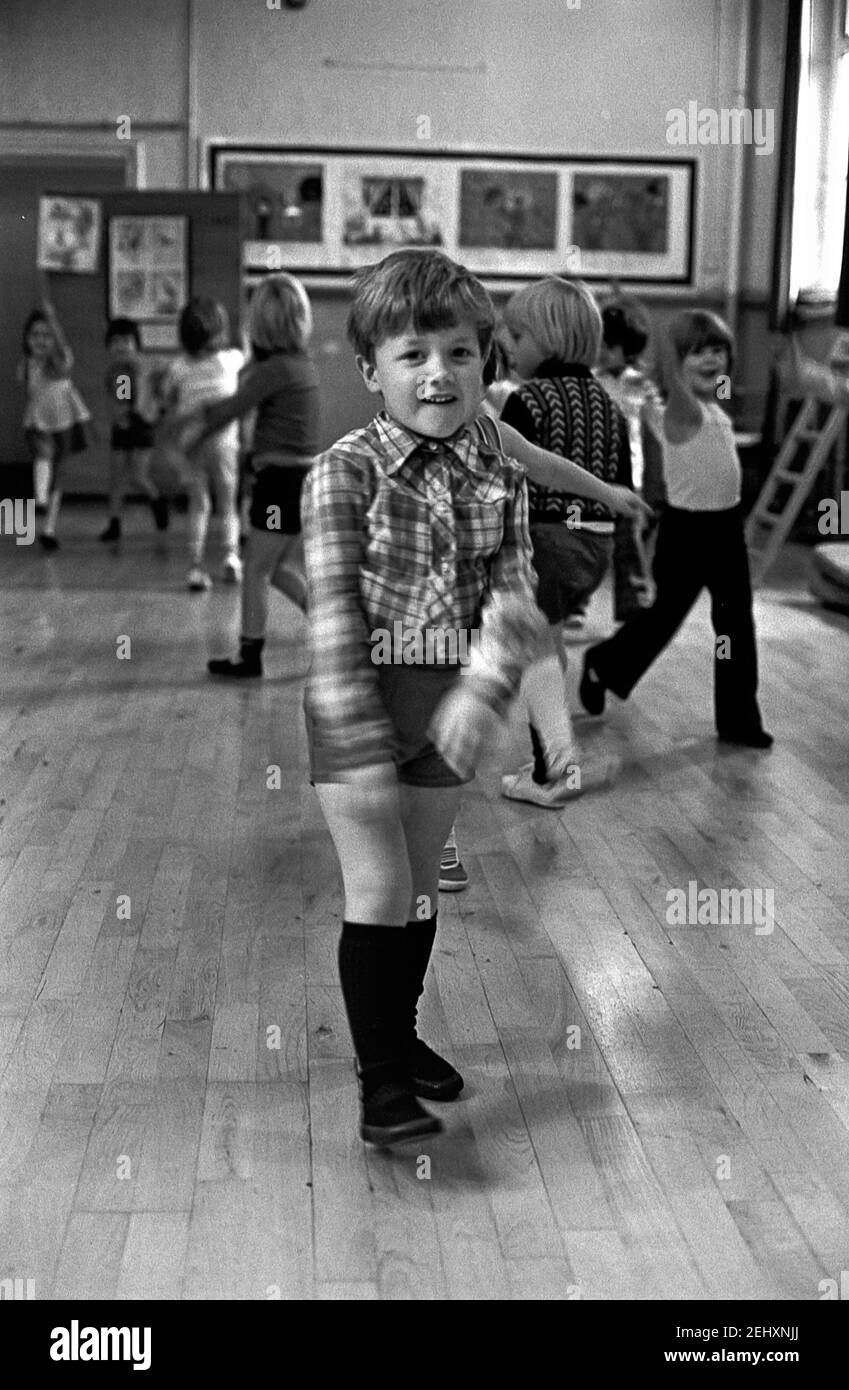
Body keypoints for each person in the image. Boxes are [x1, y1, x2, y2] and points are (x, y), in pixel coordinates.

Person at [302, 249, 648, 1147]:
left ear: (485, 363)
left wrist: (480, 693)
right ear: (369, 370)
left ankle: (400, 1037)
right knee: (377, 887)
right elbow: (333, 620)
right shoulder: (343, 472)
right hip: (360, 704)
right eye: (412, 354)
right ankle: (381, 1089)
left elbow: (514, 593)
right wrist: (363, 739)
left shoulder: (494, 456)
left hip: (448, 704)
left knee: (421, 889)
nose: (438, 374)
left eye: (459, 353)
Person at [579, 309, 773, 750]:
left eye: (718, 350)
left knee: (734, 627)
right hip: (687, 534)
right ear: (675, 364)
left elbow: (713, 384)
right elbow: (664, 387)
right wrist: (661, 363)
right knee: (661, 621)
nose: (712, 360)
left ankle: (739, 719)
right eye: (697, 353)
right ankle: (603, 664)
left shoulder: (714, 400)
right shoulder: (678, 411)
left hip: (727, 531)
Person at [498, 277, 634, 807]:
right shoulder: (611, 406)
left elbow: (508, 479)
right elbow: (622, 482)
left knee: (536, 650)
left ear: (548, 341)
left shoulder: (525, 402)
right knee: (550, 643)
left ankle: (552, 771)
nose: (509, 345)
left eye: (518, 335)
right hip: (594, 546)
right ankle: (551, 758)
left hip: (544, 541)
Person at [194, 274, 321, 677]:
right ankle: (337, 631)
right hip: (300, 483)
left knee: (255, 569)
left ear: (260, 325)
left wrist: (188, 427)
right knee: (279, 567)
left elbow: (229, 410)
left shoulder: (274, 370)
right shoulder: (300, 364)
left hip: (280, 486)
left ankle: (250, 656)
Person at [158, 297, 244, 591]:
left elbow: (167, 400)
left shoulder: (178, 367)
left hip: (190, 444)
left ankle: (195, 566)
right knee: (227, 502)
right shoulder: (228, 360)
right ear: (220, 332)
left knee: (200, 503)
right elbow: (246, 357)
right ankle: (231, 556)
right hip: (223, 443)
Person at [18, 296, 90, 551]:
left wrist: (52, 320)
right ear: (27, 338)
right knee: (43, 455)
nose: (40, 340)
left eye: (46, 335)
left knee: (59, 475)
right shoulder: (27, 365)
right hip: (39, 422)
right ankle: (39, 499)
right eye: (35, 335)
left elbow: (59, 350)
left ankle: (48, 528)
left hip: (65, 422)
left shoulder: (60, 361)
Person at [100, 318, 169, 541]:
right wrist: (119, 416)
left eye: (127, 340)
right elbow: (119, 399)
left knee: (138, 476)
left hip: (144, 425)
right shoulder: (116, 371)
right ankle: (114, 523)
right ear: (109, 345)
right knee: (117, 476)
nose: (121, 346)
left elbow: (164, 380)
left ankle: (157, 502)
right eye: (116, 341)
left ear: (136, 343)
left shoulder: (149, 364)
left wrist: (158, 406)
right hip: (123, 426)